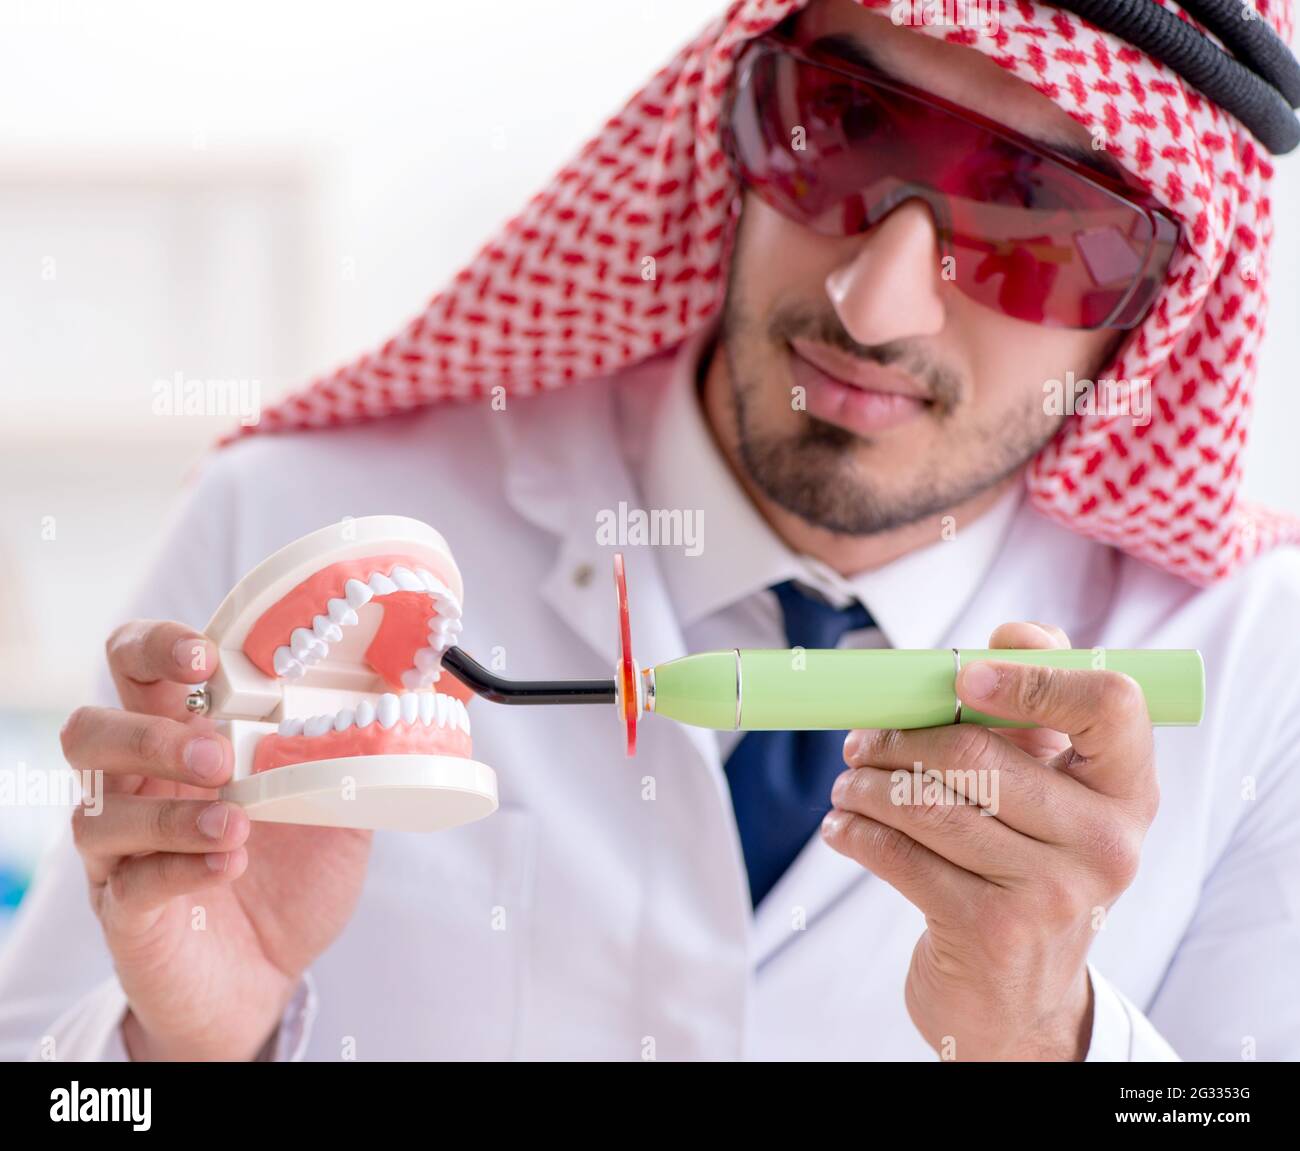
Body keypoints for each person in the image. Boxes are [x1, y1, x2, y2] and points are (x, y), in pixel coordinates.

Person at [2, 0, 1299, 1061]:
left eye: (1037, 223)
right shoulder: (294, 533)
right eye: (840, 130)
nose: (876, 301)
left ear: (1159, 304)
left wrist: (1049, 1040)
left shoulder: (1259, 670)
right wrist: (177, 1053)